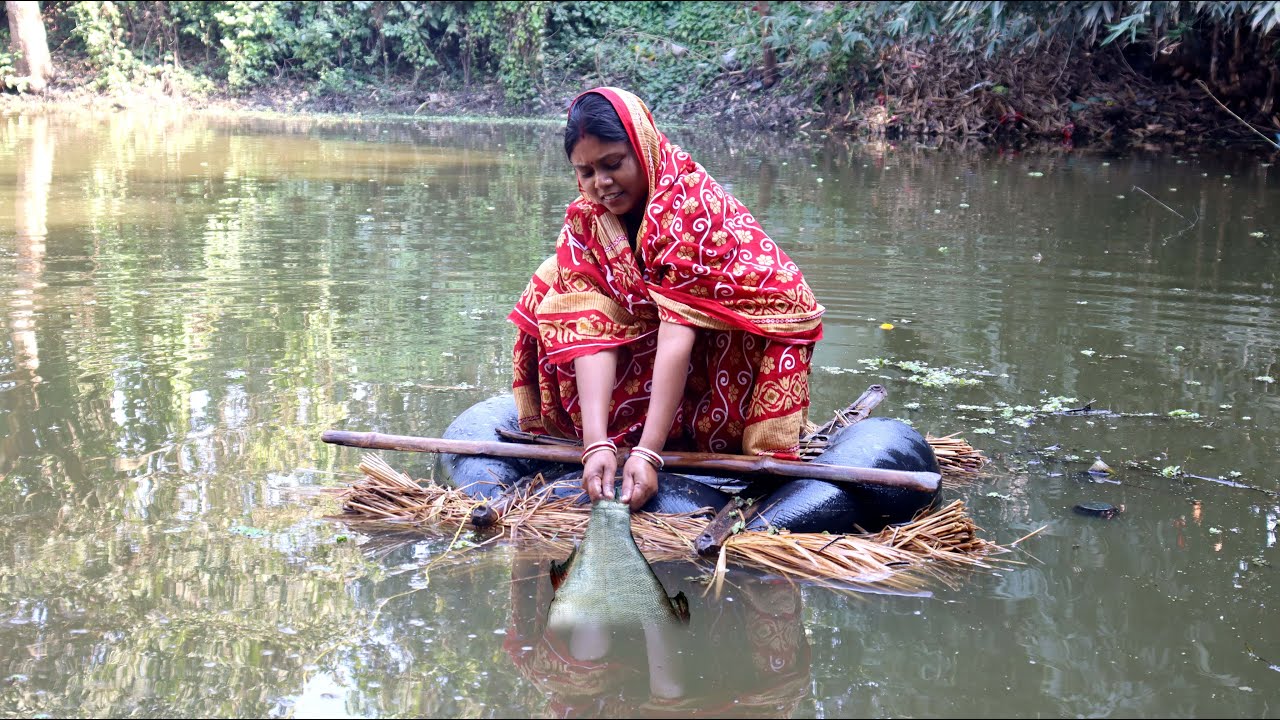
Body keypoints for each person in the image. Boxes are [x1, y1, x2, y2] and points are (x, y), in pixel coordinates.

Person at [508, 87, 824, 511]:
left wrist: (648, 452)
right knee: (550, 283)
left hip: (742, 330)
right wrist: (595, 443)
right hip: (662, 322)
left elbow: (678, 336)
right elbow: (589, 329)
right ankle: (624, 429)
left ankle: (696, 426)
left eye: (613, 164)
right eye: (585, 172)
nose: (601, 184)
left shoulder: (686, 206)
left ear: (642, 147)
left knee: (729, 372)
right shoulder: (588, 219)